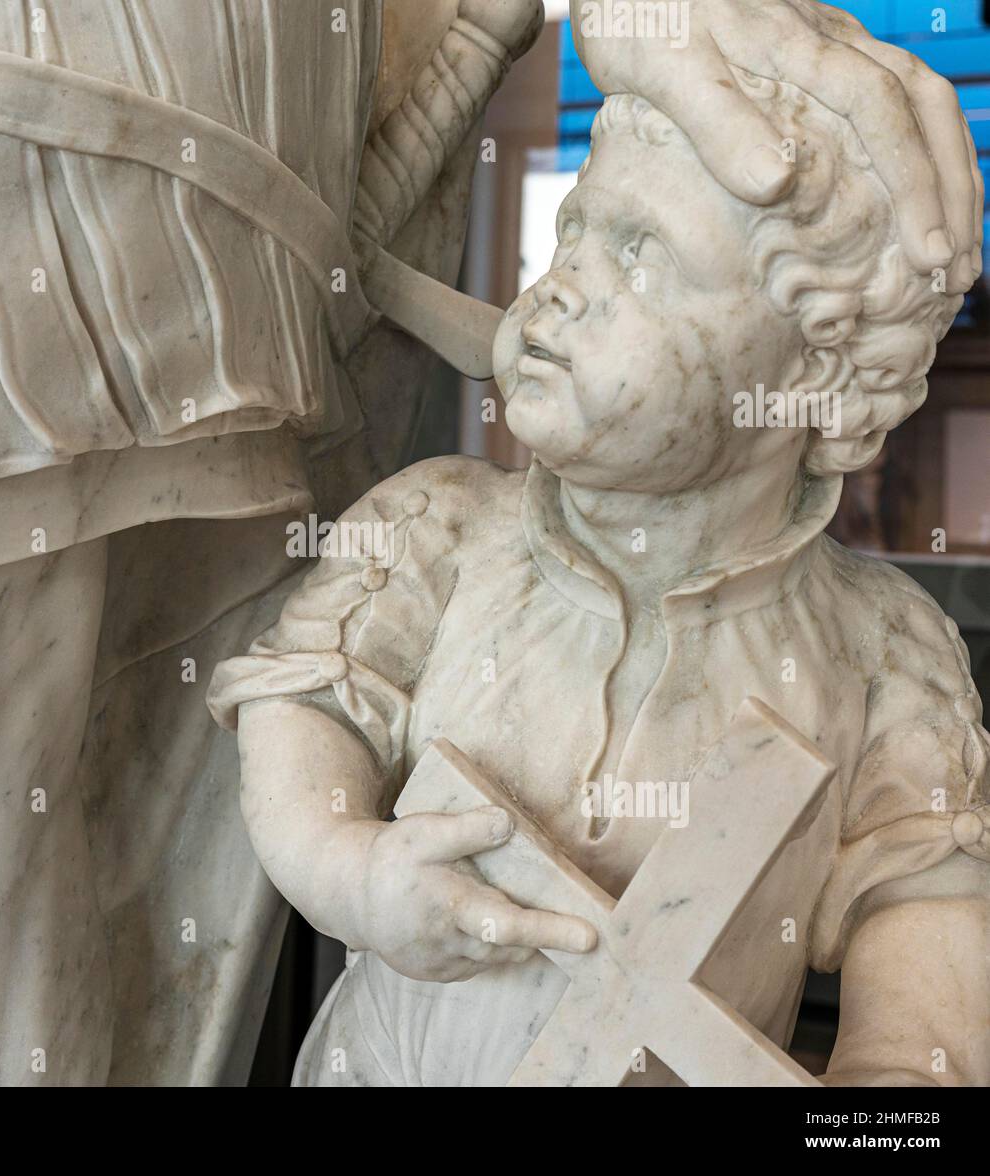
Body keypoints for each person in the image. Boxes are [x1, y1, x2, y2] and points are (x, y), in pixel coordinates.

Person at [210, 50, 988, 1085]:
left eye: (641, 255)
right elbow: (299, 713)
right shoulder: (438, 528)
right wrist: (352, 871)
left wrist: (889, 1087)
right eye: (572, 230)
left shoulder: (878, 653)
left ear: (809, 372)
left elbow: (923, 909)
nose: (562, 286)